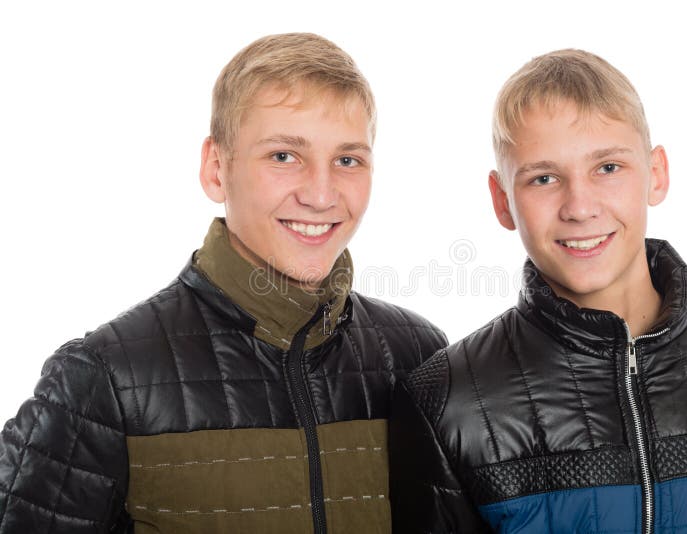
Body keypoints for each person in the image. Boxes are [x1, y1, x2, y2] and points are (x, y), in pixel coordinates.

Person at [0, 33, 446, 533]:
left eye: (347, 160)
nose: (322, 195)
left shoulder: (420, 357)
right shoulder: (101, 379)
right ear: (216, 169)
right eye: (283, 156)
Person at [389, 48, 687, 533]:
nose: (579, 207)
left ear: (657, 173)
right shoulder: (447, 400)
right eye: (544, 178)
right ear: (502, 201)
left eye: (607, 168)